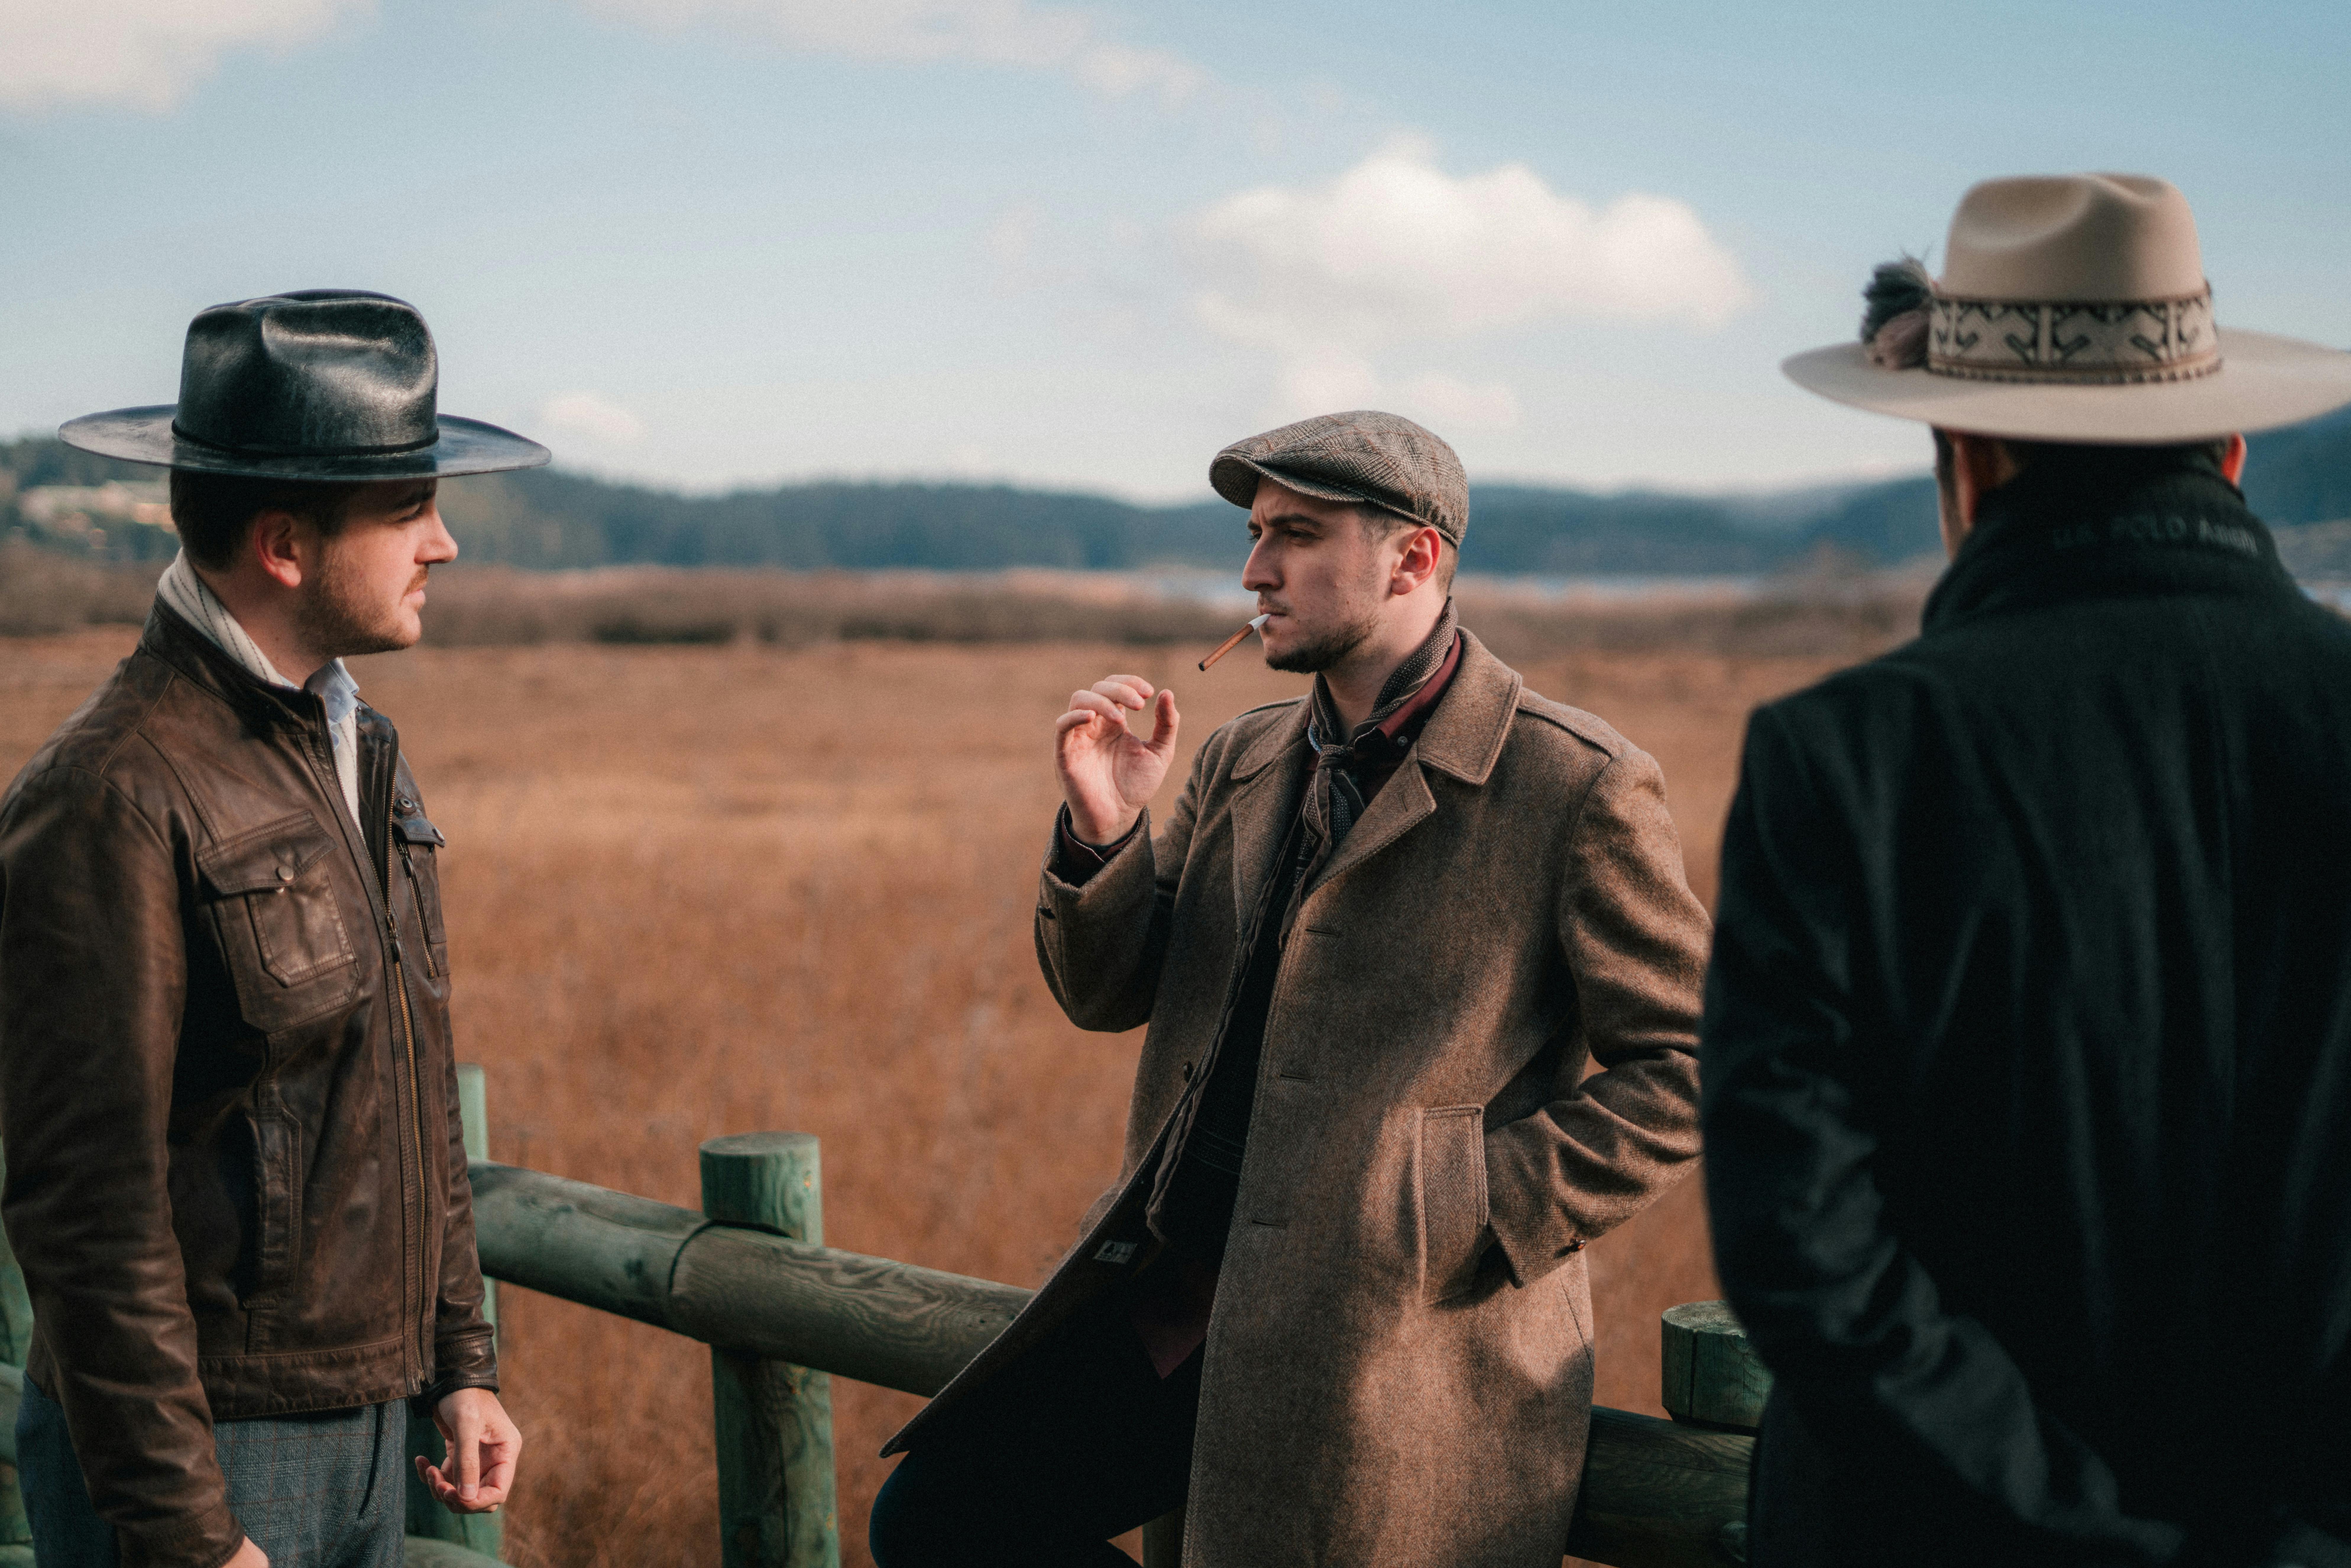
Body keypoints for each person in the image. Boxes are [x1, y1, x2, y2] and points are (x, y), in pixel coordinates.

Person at [870, 410, 1712, 1567]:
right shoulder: (1244, 756)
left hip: (1391, 1341)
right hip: (1182, 1301)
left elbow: (1691, 1067)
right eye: (1254, 534)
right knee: (940, 1517)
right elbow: (1109, 994)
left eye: (1297, 536)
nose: (1254, 571)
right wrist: (1102, 833)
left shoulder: (1573, 783)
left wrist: (1463, 1202)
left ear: (1413, 558)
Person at [1702, 174, 2351, 1567]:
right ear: (2229, 449)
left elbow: (1803, 1249)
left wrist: (2065, 1530)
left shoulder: (1848, 759)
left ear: (1967, 457)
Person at [0, 291, 550, 1568]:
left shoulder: (358, 746)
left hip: (368, 1425)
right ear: (286, 545)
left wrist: (460, 1361)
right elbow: (87, 1203)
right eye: (409, 509)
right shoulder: (111, 795)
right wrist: (188, 1531)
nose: (445, 544)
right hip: (209, 1454)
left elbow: (404, 1077)